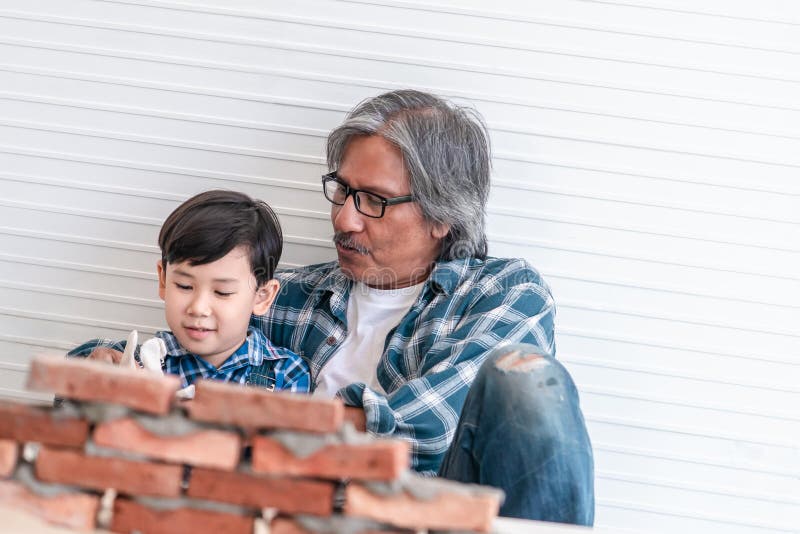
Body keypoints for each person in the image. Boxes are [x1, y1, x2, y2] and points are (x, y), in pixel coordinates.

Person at [254, 90, 594, 524]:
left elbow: (437, 423)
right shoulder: (286, 298)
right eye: (342, 190)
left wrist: (295, 427)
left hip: (435, 518)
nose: (343, 219)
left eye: (374, 200)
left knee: (528, 383)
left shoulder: (504, 293)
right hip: (306, 519)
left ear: (441, 216)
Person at [69, 190, 310, 393]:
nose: (198, 307)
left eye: (222, 292)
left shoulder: (285, 374)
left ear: (262, 296)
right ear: (163, 279)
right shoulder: (145, 362)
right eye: (184, 286)